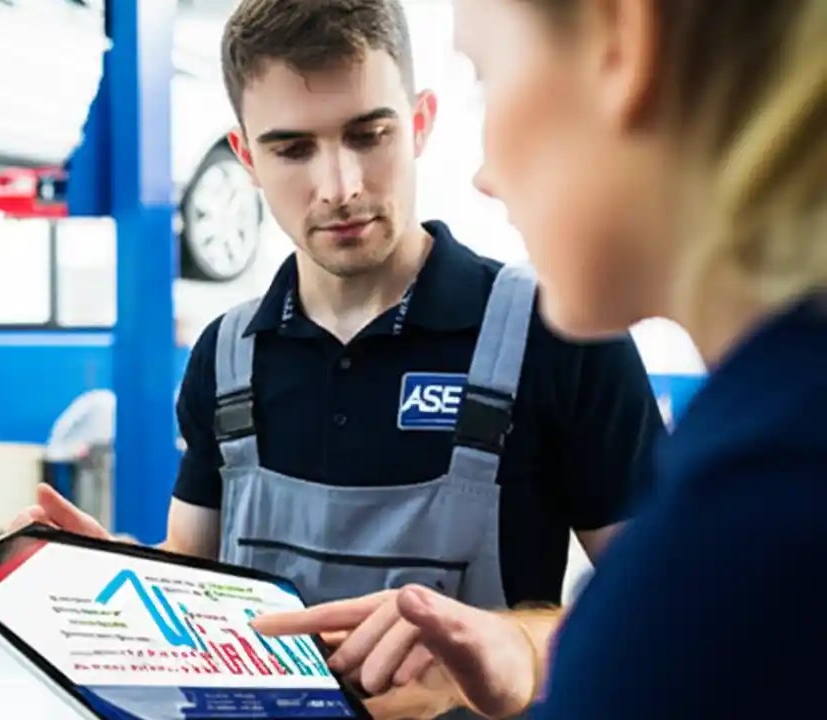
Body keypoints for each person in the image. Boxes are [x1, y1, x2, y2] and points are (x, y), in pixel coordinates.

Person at [13, 0, 663, 711]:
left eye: (368, 135)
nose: (340, 187)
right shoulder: (226, 358)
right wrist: (111, 583)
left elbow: (668, 611)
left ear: (419, 123)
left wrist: (513, 643)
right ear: (246, 157)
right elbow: (190, 576)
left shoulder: (558, 335)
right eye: (293, 149)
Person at [251, 0, 827, 717]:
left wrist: (527, 645)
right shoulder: (765, 462)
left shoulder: (765, 506)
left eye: (487, 76)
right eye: (292, 148)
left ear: (623, 40)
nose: (485, 175)